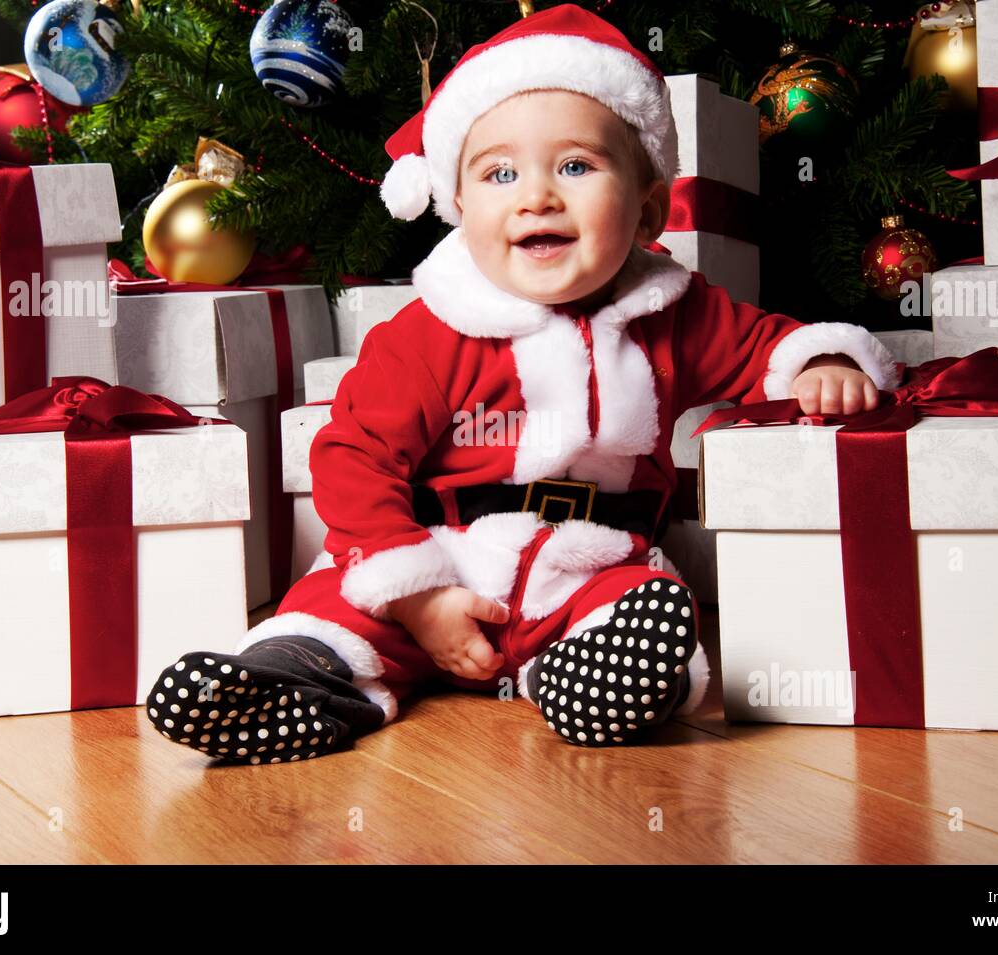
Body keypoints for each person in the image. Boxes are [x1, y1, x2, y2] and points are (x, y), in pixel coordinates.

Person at [146, 4, 898, 764]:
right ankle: (292, 676)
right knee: (336, 603)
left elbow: (762, 345)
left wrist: (820, 362)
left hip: (589, 560)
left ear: (646, 210)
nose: (536, 195)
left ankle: (599, 681)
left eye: (575, 165)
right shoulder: (434, 328)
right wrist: (417, 591)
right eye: (500, 173)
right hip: (444, 552)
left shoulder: (671, 309)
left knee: (634, 608)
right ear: (460, 206)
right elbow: (353, 458)